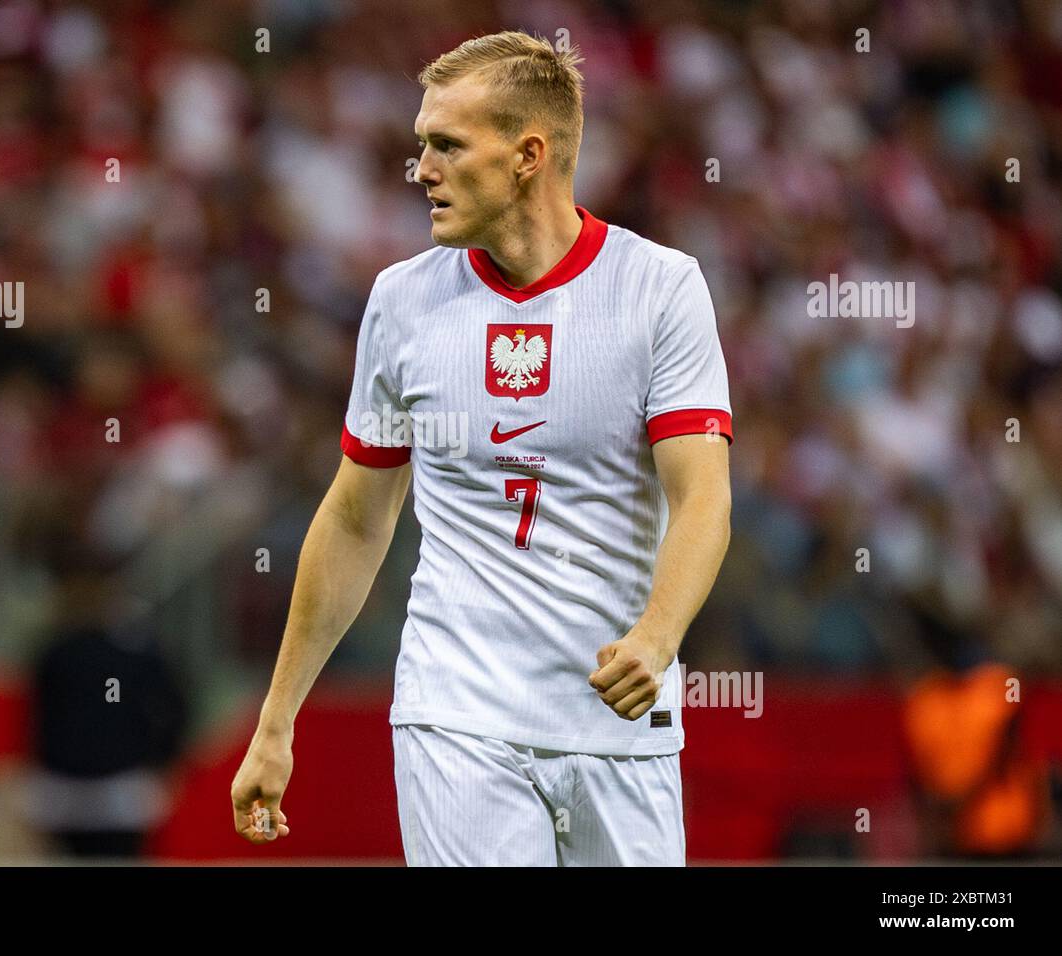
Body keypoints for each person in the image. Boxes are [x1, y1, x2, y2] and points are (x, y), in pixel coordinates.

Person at [231, 31, 733, 866]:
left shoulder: (660, 290)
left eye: (446, 145)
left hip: (620, 724)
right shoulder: (402, 302)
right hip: (456, 715)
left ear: (528, 155)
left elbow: (704, 499)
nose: (420, 169)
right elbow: (357, 518)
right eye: (420, 144)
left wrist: (658, 634)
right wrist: (277, 720)